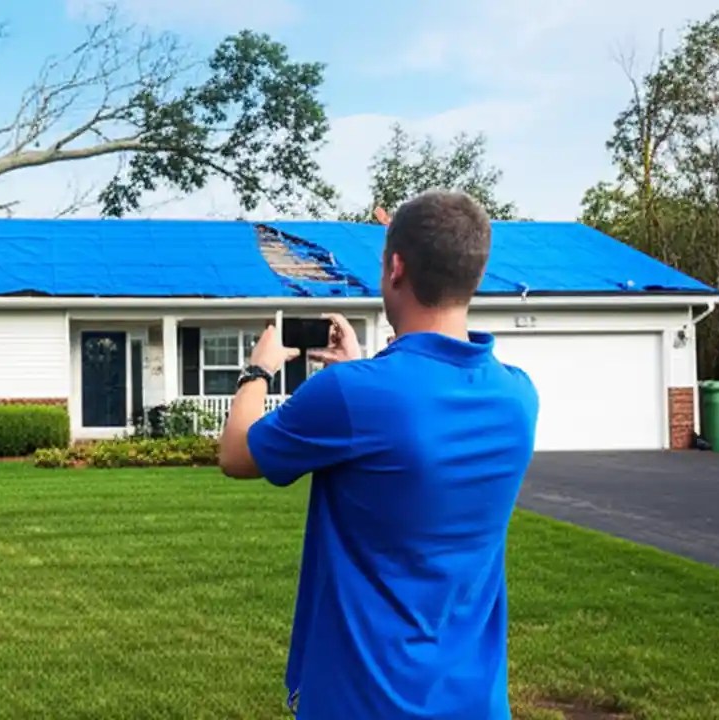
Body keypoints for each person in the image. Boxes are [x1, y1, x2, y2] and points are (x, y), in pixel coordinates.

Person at [218, 190, 539, 719]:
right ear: (475, 277)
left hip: (363, 701)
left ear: (395, 267)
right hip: (475, 702)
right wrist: (362, 368)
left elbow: (236, 454)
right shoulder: (518, 397)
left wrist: (259, 370)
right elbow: (412, 419)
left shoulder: (351, 395)